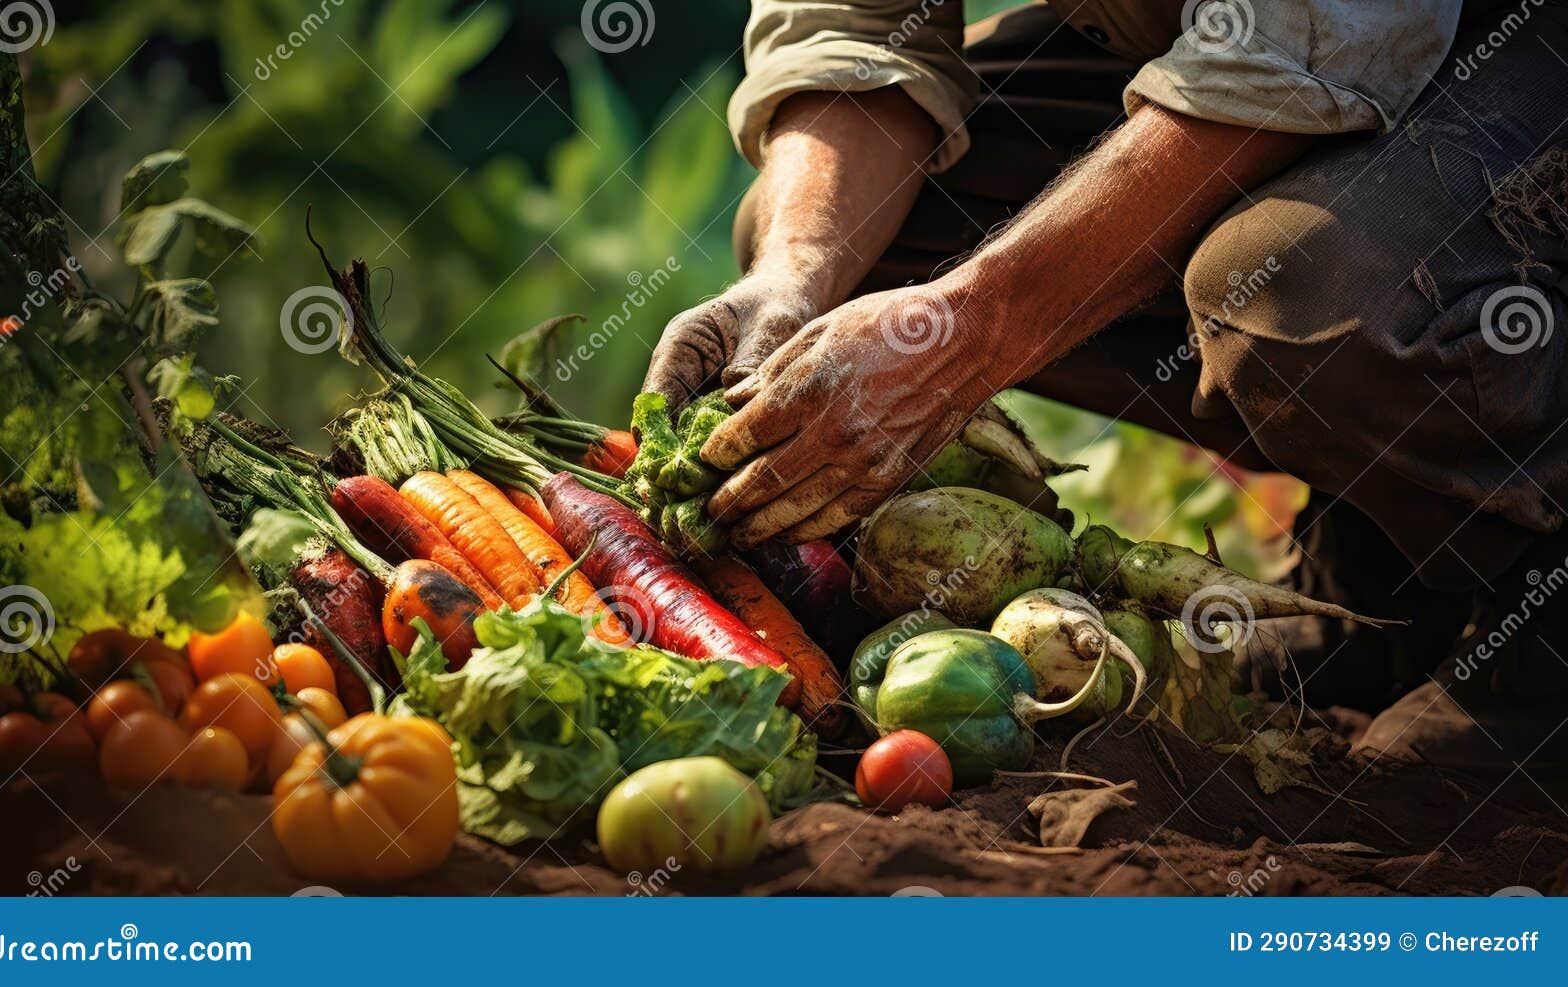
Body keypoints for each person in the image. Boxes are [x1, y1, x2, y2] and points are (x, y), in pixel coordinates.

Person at [642, 0, 1568, 775]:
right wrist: (796, 273)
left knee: (1295, 290)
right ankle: (1391, 564)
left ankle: (1541, 610)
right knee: (840, 231)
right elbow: (853, 30)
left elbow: (1305, 44)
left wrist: (966, 327)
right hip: (1254, 44)